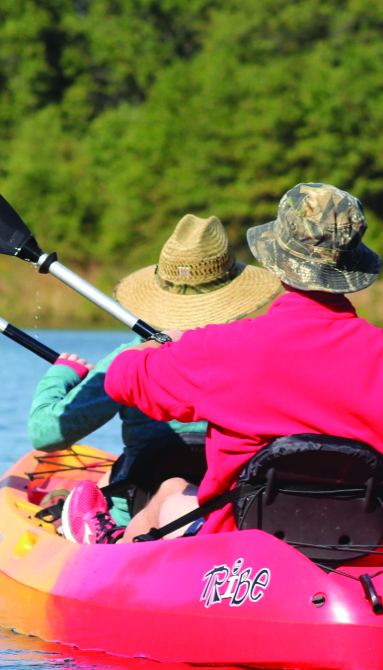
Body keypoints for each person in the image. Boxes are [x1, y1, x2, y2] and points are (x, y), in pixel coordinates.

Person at [67, 182, 383, 547]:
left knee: (169, 492)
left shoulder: (221, 348)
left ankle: (109, 552)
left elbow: (120, 380)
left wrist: (155, 348)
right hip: (363, 547)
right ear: (352, 267)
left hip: (239, 550)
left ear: (278, 263)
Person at [28, 213, 282, 543]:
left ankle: (103, 531)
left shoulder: (130, 359)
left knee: (112, 478)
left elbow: (46, 434)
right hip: (230, 512)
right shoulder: (261, 357)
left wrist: (61, 375)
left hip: (136, 515)